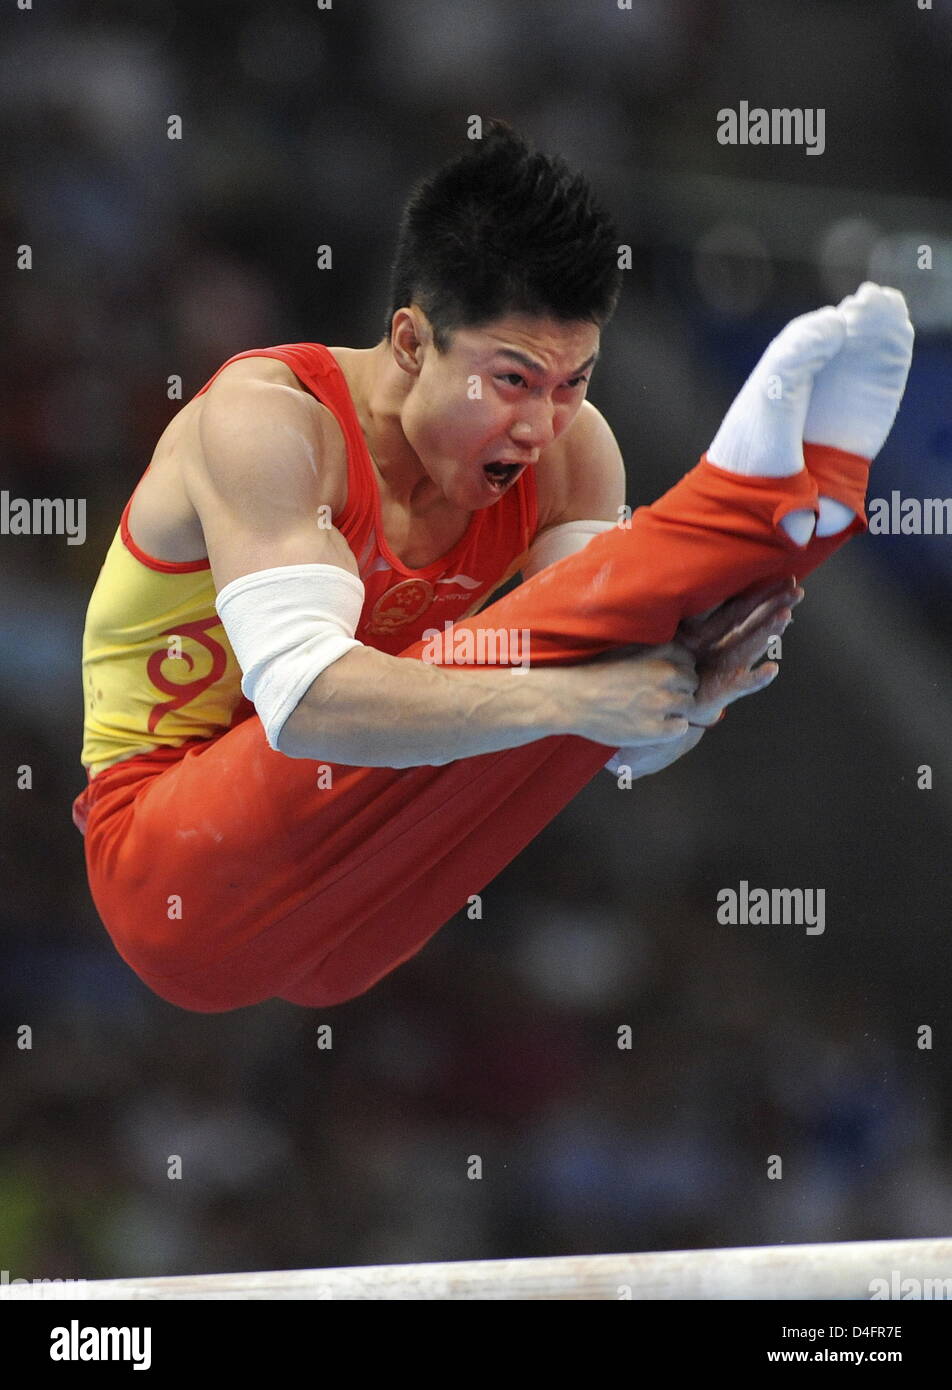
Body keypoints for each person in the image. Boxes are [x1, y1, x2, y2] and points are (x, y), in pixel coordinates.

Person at [72, 124, 913, 1012]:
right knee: (542, 670)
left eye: (573, 383)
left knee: (601, 652)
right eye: (511, 380)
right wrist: (575, 698)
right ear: (409, 342)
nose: (540, 425)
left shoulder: (572, 457)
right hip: (173, 877)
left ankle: (776, 522)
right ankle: (741, 505)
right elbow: (307, 705)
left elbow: (614, 733)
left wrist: (688, 698)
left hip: (360, 926)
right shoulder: (269, 427)